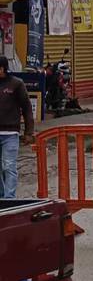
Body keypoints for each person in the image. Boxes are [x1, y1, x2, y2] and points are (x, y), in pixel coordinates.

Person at [0, 56, 35, 199]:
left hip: (10, 133)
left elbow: (27, 108)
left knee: (9, 166)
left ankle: (9, 198)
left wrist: (28, 132)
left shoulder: (16, 84)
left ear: (2, 69)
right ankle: (1, 196)